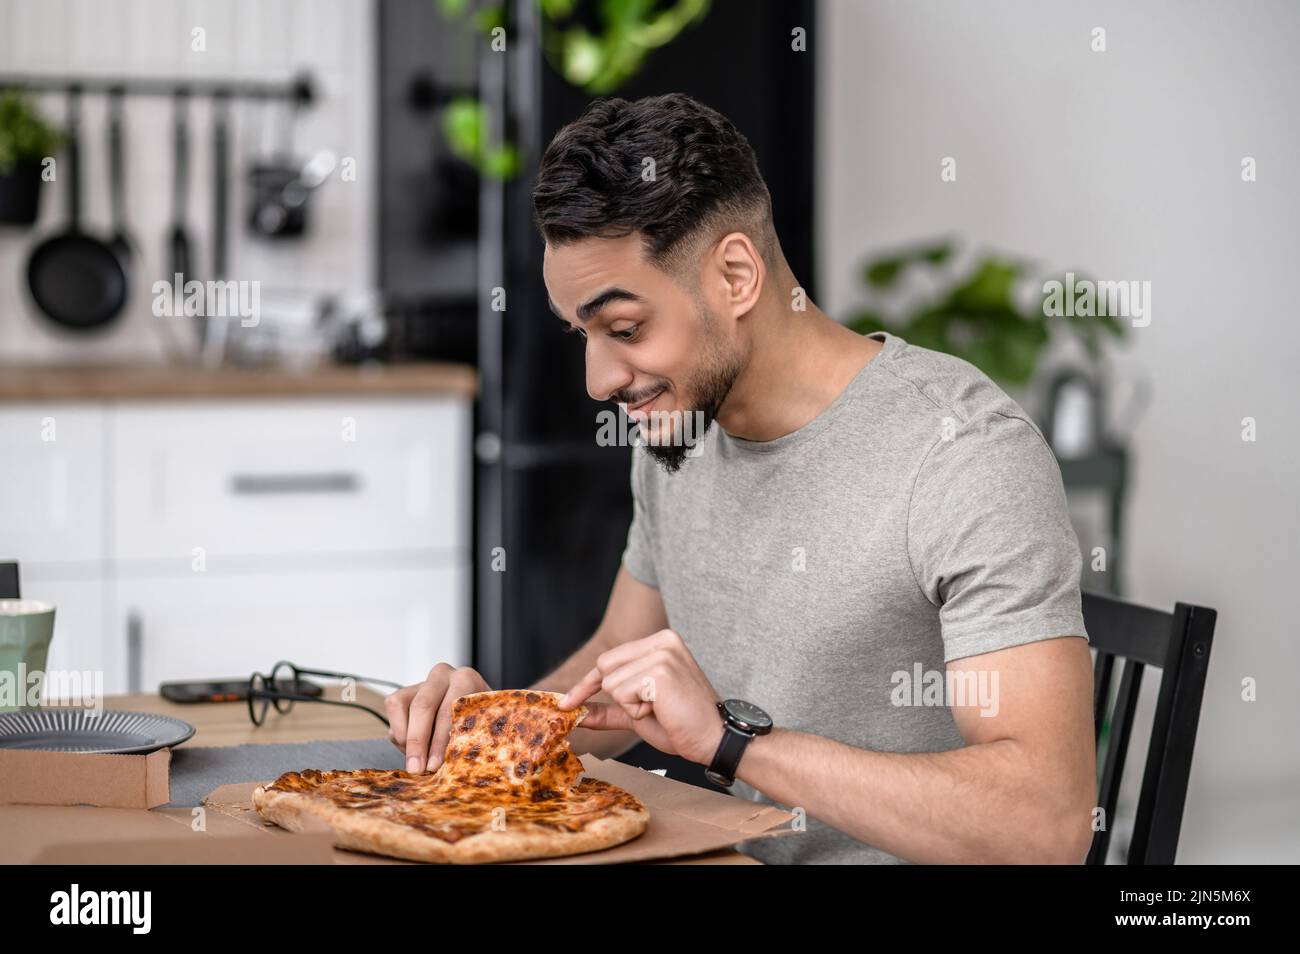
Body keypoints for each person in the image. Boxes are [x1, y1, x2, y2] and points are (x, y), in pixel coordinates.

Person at [385, 92, 1096, 864]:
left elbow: (1044, 824)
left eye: (624, 329)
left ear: (735, 275)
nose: (597, 379)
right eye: (582, 334)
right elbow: (624, 663)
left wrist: (732, 741)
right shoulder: (680, 426)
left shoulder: (962, 456)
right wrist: (493, 720)